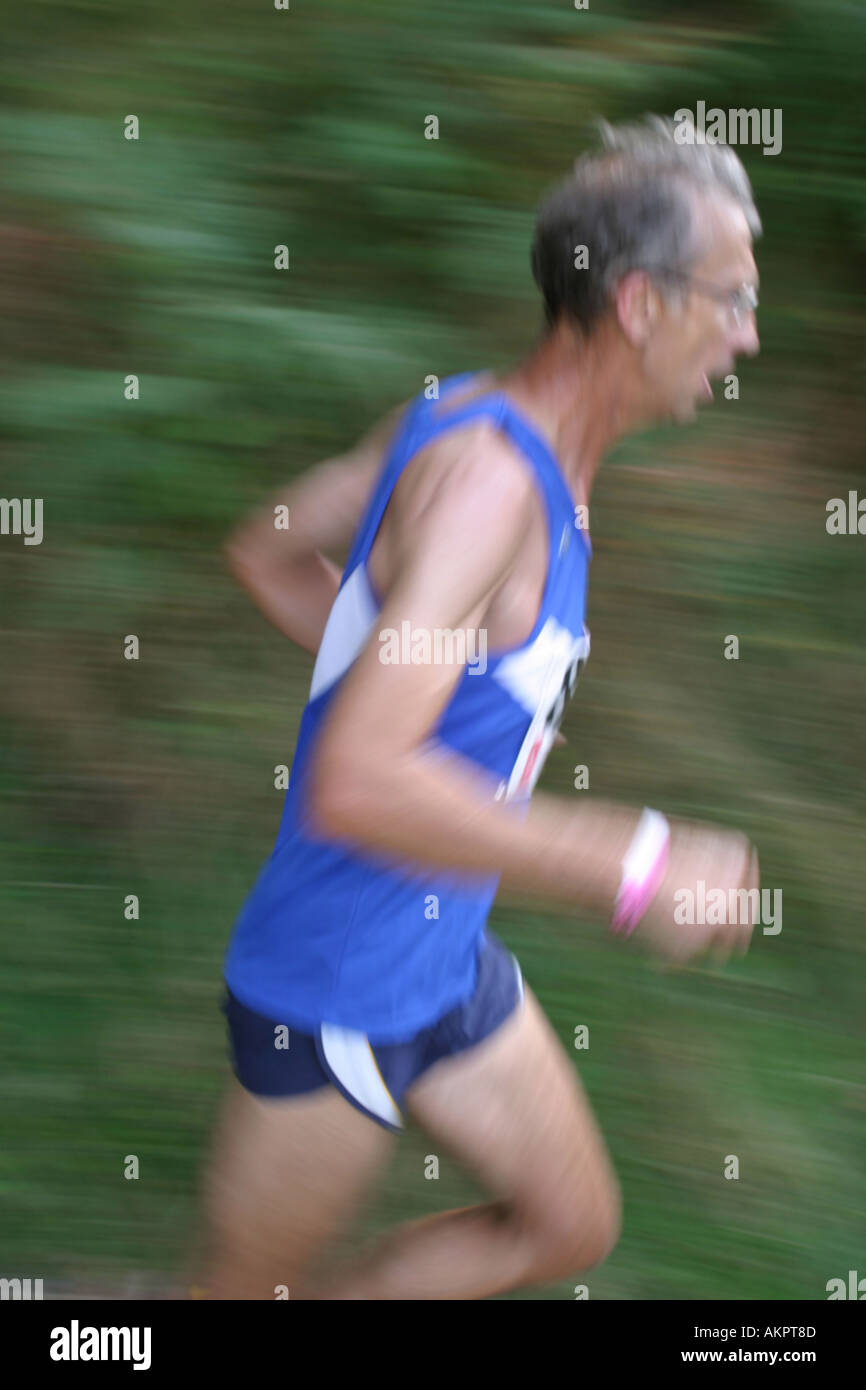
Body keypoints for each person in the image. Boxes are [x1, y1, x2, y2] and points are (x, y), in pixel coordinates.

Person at [203, 114, 762, 1300]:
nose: (746, 336)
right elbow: (359, 781)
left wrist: (406, 675)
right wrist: (629, 860)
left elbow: (272, 547)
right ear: (637, 304)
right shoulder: (487, 486)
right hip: (334, 988)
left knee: (565, 1224)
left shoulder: (471, 420)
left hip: (444, 955)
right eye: (727, 299)